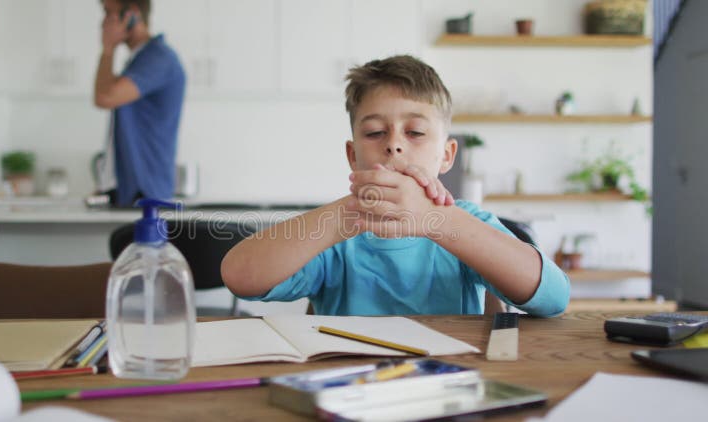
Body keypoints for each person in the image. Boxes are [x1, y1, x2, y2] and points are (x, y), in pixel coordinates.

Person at [221, 55, 569, 316]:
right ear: (353, 155)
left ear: (447, 155)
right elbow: (239, 277)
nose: (394, 145)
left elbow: (555, 297)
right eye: (375, 132)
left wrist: (437, 219)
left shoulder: (465, 222)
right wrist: (348, 214)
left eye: (415, 132)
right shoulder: (335, 235)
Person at [94, 0, 185, 206]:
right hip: (134, 190)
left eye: (109, 13)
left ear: (132, 14)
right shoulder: (139, 60)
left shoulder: (158, 59)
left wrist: (107, 49)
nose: (103, 23)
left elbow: (105, 96)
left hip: (146, 191)